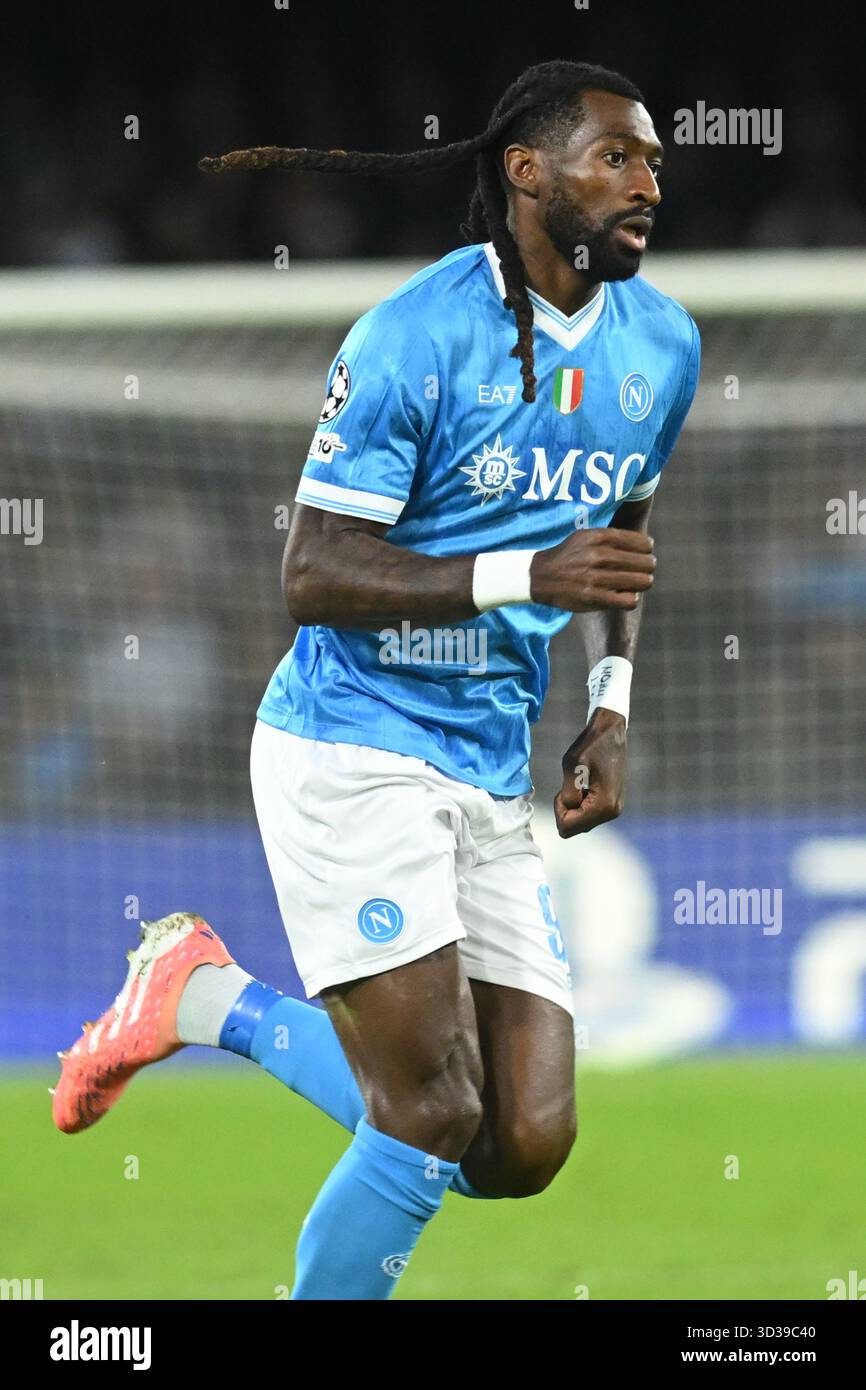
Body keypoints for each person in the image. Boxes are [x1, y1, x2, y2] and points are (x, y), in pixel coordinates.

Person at [53, 59, 700, 1301]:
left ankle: (205, 998)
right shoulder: (412, 335)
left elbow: (615, 546)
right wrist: (523, 576)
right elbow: (314, 569)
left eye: (654, 162)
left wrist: (607, 709)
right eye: (614, 159)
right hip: (352, 741)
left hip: (489, 757)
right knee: (424, 1108)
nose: (645, 186)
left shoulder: (660, 344)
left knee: (522, 1143)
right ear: (525, 173)